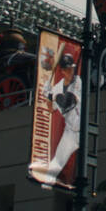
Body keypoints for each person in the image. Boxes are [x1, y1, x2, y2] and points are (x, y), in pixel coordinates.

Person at [43, 51, 81, 182]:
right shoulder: (57, 89)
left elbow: (73, 99)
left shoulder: (78, 81)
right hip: (70, 131)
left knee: (84, 163)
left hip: (83, 125)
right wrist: (48, 96)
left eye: (73, 68)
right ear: (63, 71)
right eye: (69, 69)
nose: (72, 71)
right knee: (58, 160)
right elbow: (50, 109)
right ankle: (48, 181)